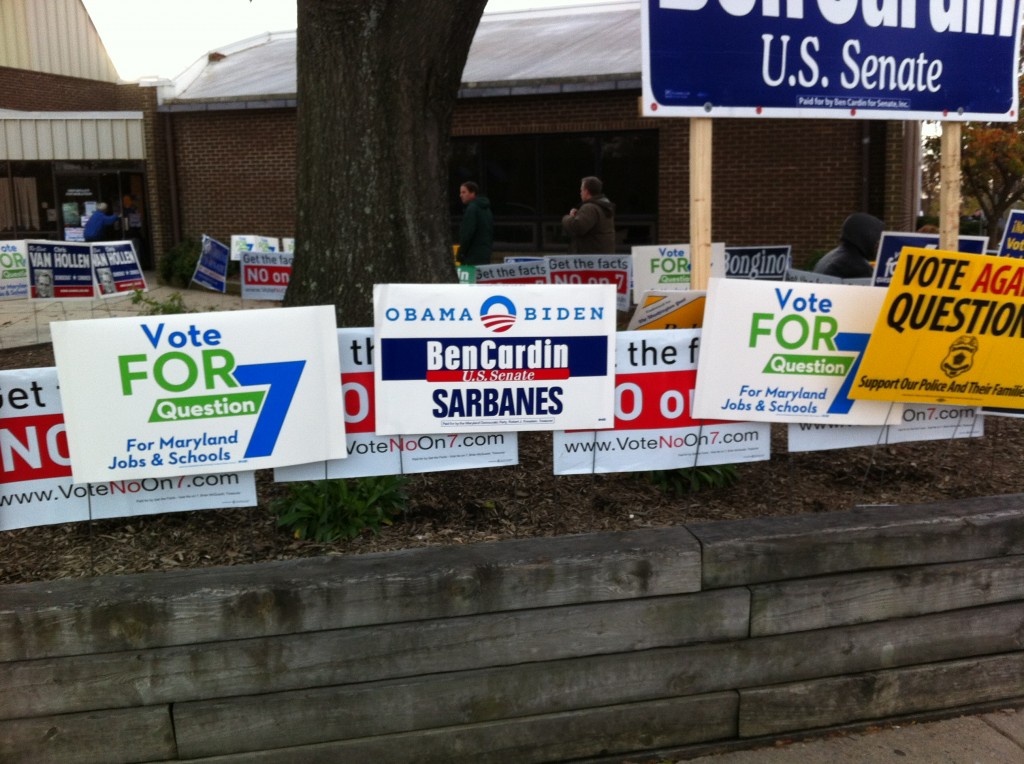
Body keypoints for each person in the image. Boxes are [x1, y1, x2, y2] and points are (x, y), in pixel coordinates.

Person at [813, 212, 884, 278]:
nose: (879, 244)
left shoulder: (829, 257)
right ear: (868, 236)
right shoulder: (857, 265)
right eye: (877, 238)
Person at [562, 176, 616, 254]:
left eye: (581, 190)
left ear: (586, 191)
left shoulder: (590, 208)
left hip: (590, 257)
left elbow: (577, 227)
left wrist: (568, 218)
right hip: (603, 255)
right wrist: (579, 215)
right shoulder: (604, 206)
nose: (580, 193)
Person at [457, 181, 493, 266]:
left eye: (464, 192)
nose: (460, 195)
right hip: (485, 253)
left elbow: (467, 233)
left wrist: (461, 252)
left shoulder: (472, 209)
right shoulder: (486, 209)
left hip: (472, 255)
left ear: (472, 193)